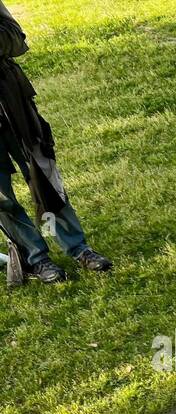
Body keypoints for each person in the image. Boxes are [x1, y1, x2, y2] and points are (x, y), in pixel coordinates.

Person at [0, 2, 112, 286]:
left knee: (43, 176)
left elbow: (16, 39)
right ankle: (37, 259)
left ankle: (79, 249)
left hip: (11, 100)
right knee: (1, 198)